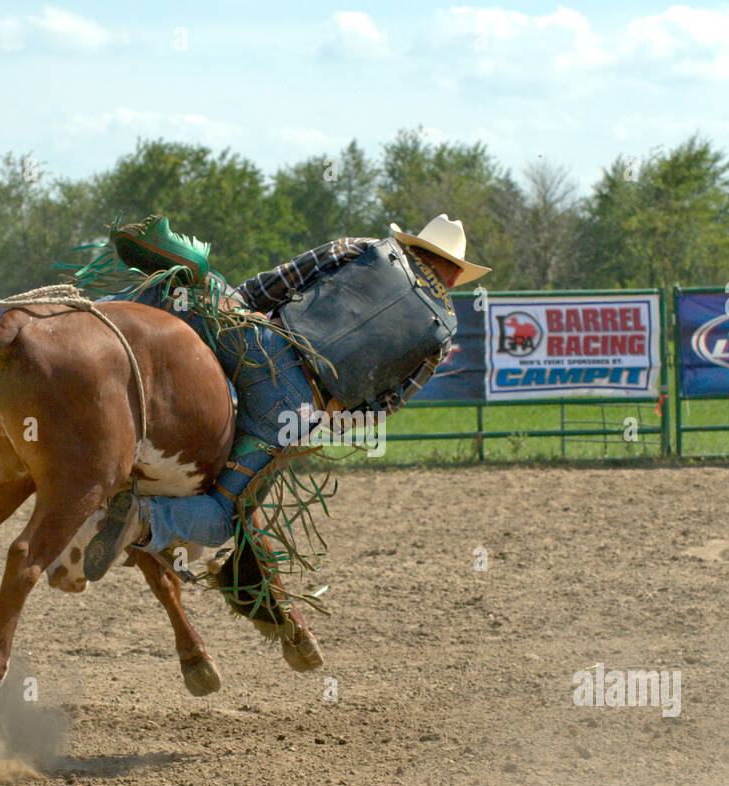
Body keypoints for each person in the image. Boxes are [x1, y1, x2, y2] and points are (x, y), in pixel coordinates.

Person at [83, 213, 490, 581]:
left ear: (413, 245)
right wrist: (328, 414)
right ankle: (141, 519)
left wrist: (236, 307)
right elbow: (381, 408)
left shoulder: (364, 249)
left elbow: (281, 280)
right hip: (296, 406)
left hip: (260, 339)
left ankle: (90, 317)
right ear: (455, 276)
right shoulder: (441, 332)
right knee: (226, 514)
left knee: (185, 293)